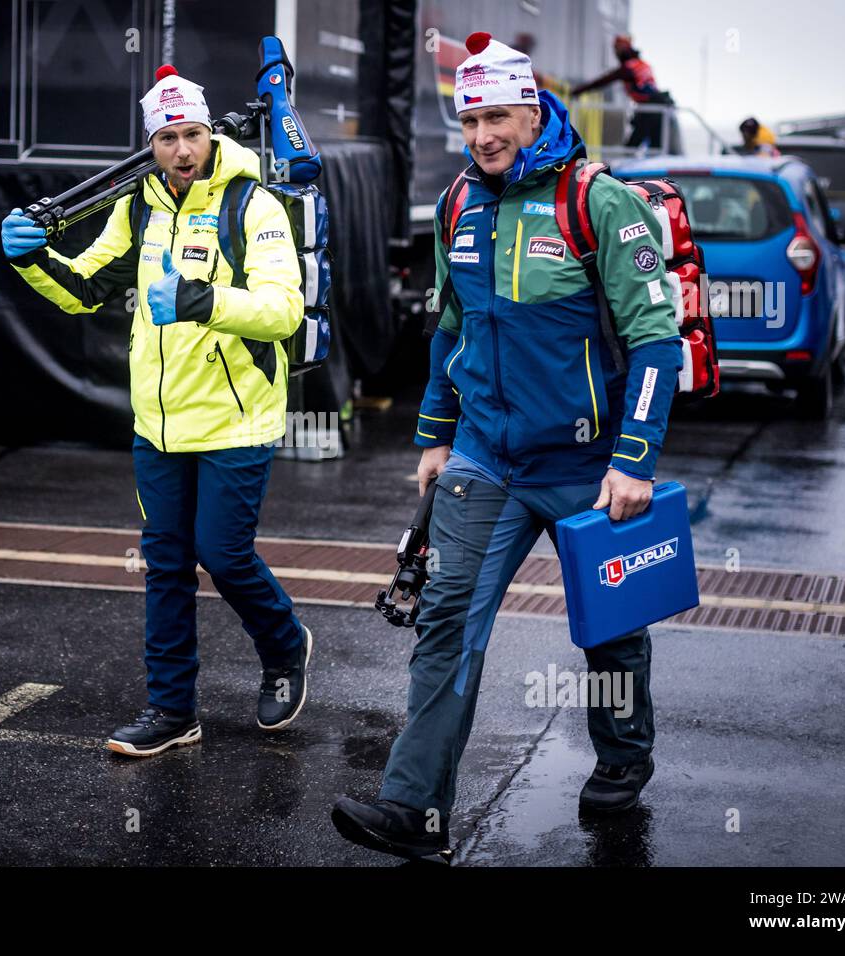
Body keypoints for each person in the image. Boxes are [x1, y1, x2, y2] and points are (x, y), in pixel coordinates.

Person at [332, 33, 683, 861]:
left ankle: (624, 759)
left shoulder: (597, 202)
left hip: (588, 467)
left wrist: (634, 458)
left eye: (495, 116)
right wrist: (433, 437)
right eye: (469, 119)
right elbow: (453, 330)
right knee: (446, 622)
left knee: (611, 633)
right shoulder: (460, 201)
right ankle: (414, 811)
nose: (482, 134)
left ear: (532, 110)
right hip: (486, 460)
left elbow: (656, 342)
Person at [0, 64, 313, 757]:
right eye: (167, 136)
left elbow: (284, 311)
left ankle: (286, 644)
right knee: (164, 564)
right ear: (150, 143)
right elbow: (83, 288)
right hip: (159, 425)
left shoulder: (250, 204)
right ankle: (172, 711)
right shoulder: (138, 205)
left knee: (223, 557)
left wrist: (202, 301)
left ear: (210, 135)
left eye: (193, 133)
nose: (181, 149)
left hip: (237, 420)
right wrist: (30, 259)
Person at [571, 34, 678, 152]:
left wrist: (577, 91)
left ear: (623, 49)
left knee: (634, 146)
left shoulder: (629, 68)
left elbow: (603, 81)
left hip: (651, 109)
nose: (615, 52)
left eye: (616, 48)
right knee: (655, 147)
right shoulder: (642, 64)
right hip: (657, 107)